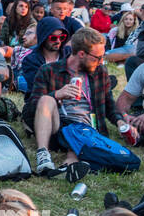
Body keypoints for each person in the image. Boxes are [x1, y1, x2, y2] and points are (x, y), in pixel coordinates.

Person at [26, 27, 123, 181]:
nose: (101, 61)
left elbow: (109, 104)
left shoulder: (100, 72)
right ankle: (43, 154)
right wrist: (57, 94)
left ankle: (68, 167)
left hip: (86, 127)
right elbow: (32, 108)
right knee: (46, 99)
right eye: (97, 57)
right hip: (58, 124)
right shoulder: (49, 70)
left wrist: (120, 121)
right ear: (81, 54)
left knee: (79, 135)